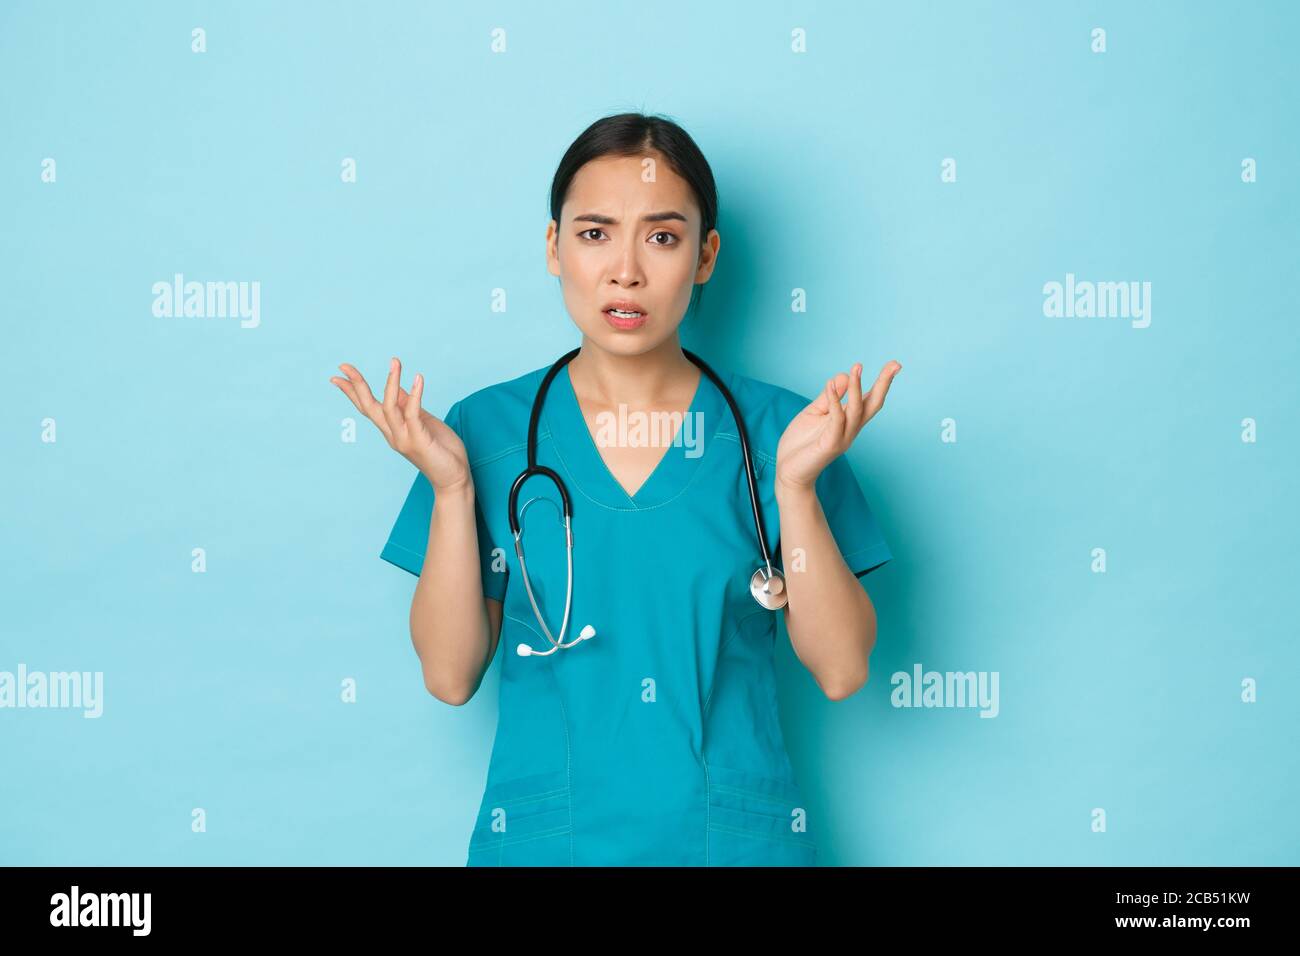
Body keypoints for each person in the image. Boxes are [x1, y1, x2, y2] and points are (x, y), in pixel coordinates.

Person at [330, 112, 902, 866]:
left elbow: (841, 669)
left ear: (706, 256)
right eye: (594, 233)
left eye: (662, 237)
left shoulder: (786, 433)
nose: (625, 270)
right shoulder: (487, 433)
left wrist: (795, 489)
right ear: (552, 248)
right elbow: (449, 675)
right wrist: (450, 488)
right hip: (548, 844)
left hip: (726, 844)